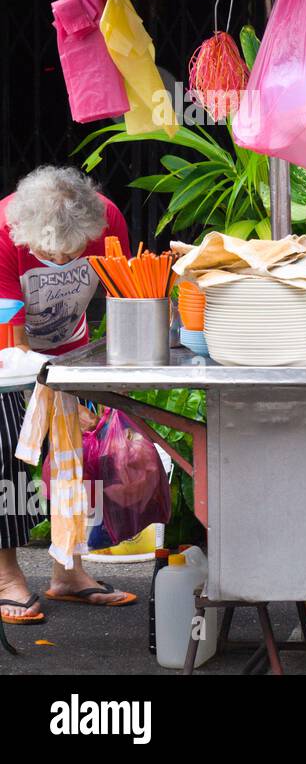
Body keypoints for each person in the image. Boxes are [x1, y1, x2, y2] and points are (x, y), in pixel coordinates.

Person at [0, 166, 137, 624]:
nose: (58, 260)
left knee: (75, 457)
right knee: (9, 456)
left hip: (65, 350)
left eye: (71, 252)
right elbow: (10, 344)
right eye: (47, 252)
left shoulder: (106, 218)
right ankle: (6, 578)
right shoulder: (2, 234)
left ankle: (68, 572)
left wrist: (93, 379)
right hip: (7, 354)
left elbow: (124, 297)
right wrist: (53, 386)